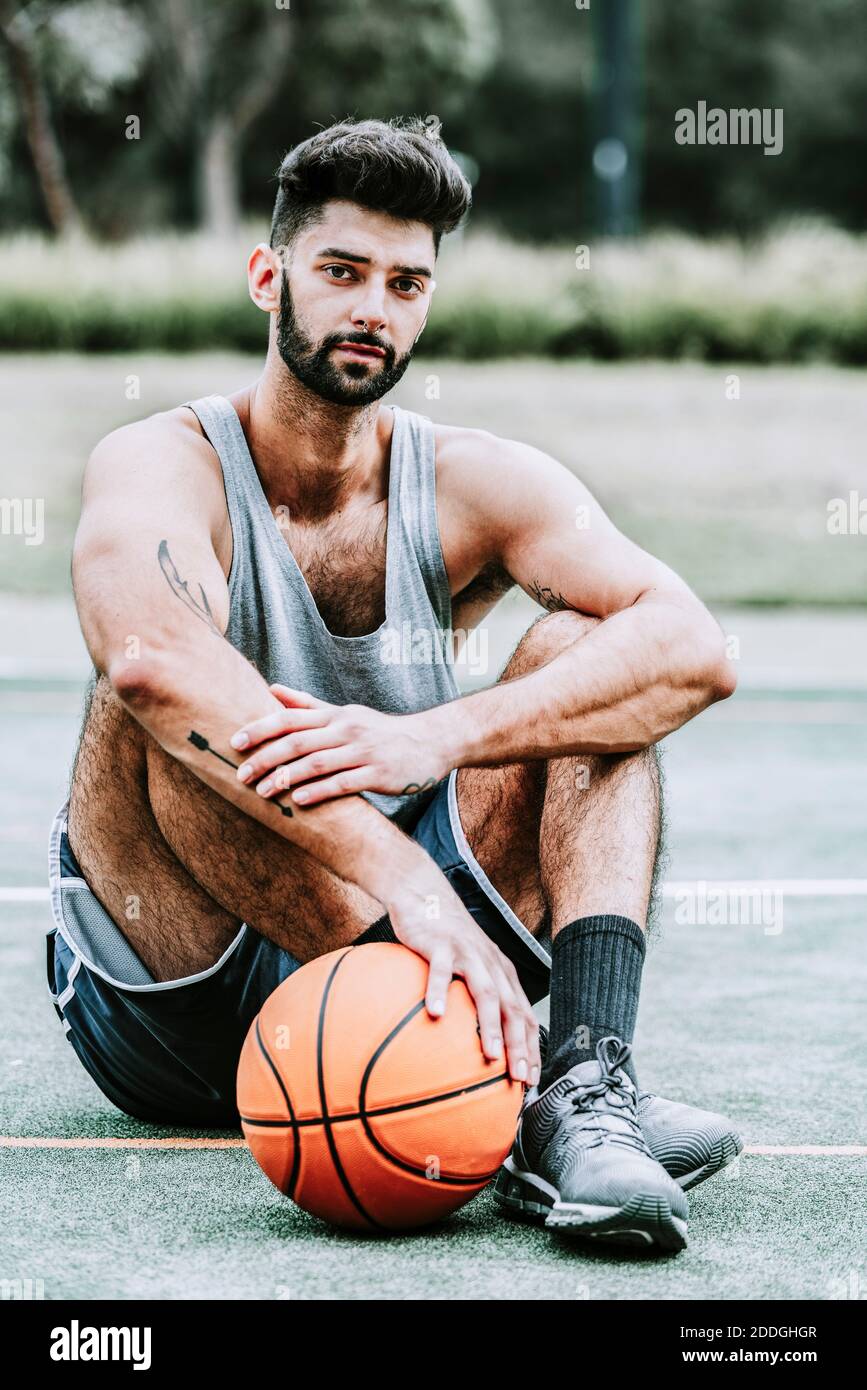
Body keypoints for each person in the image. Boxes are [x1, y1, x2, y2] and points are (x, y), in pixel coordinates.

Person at [47, 117, 740, 1251]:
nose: (374, 308)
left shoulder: (471, 478)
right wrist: (402, 876)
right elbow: (149, 659)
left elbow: (694, 648)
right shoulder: (162, 461)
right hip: (177, 998)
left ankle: (580, 1085)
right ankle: (497, 1093)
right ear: (269, 275)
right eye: (342, 272)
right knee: (154, 697)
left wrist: (439, 739)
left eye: (406, 282)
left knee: (591, 659)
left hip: (408, 978)